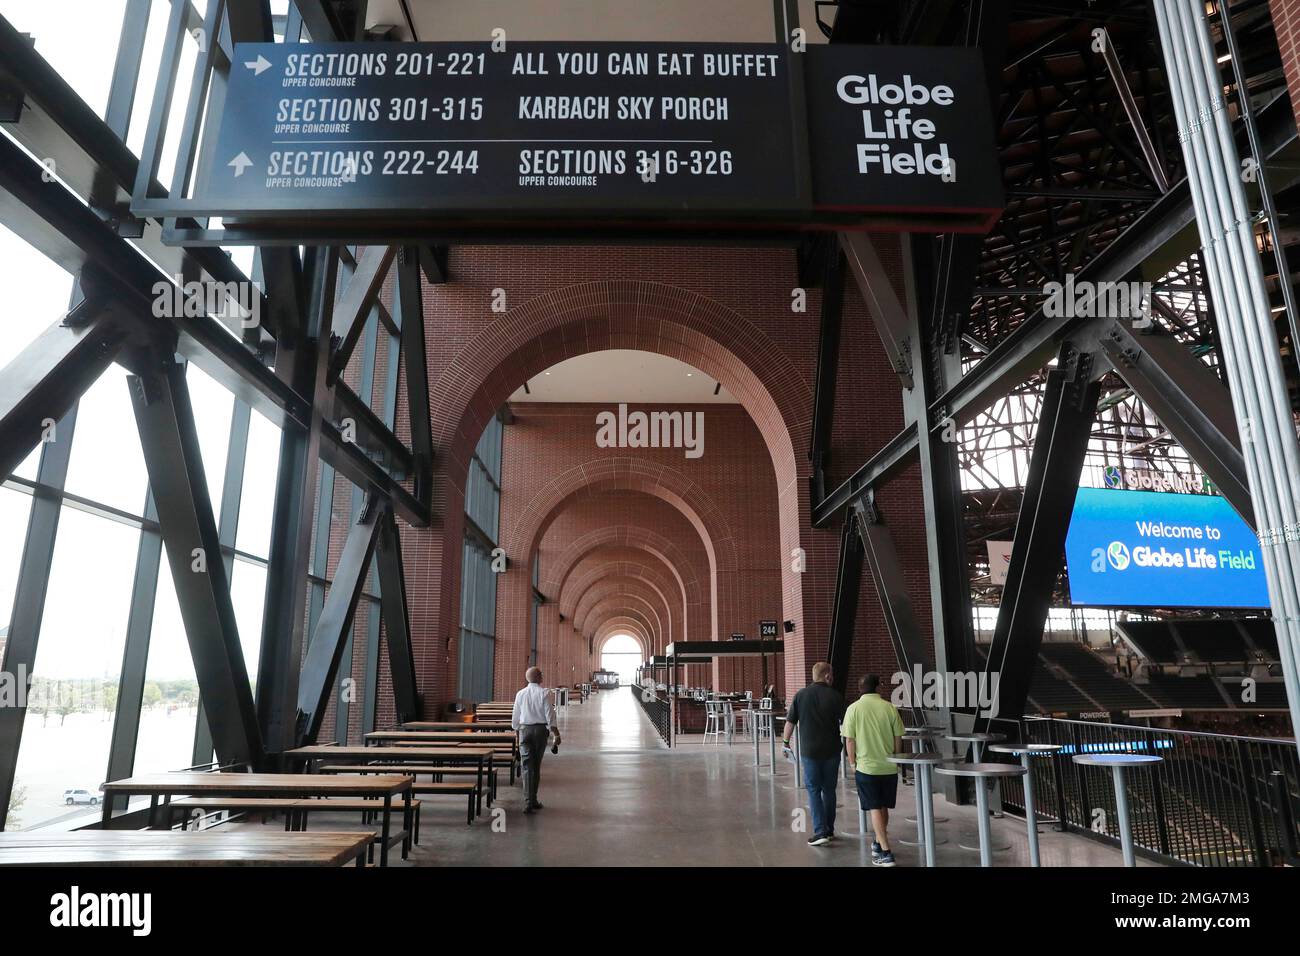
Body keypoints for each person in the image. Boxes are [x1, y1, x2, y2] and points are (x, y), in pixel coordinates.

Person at [841, 674, 905, 866]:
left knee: (875, 807)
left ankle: (886, 852)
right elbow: (898, 738)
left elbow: (849, 740)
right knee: (883, 806)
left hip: (866, 767)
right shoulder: (889, 708)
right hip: (888, 766)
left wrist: (852, 763)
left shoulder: (852, 709)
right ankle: (878, 841)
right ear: (878, 687)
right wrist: (896, 758)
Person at [781, 661, 846, 847]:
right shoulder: (835, 696)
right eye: (831, 674)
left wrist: (786, 743)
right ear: (827, 676)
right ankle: (829, 829)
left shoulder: (801, 695)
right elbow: (847, 723)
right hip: (832, 750)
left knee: (813, 790)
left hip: (810, 752)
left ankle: (820, 831)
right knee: (829, 790)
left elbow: (790, 722)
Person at [510, 667, 560, 813]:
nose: (542, 676)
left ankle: (528, 801)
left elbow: (515, 716)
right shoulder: (544, 693)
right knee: (535, 765)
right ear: (538, 677)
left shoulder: (520, 694)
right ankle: (532, 800)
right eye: (541, 674)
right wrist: (556, 733)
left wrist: (517, 732)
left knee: (526, 765)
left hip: (524, 731)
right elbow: (550, 715)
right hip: (539, 731)